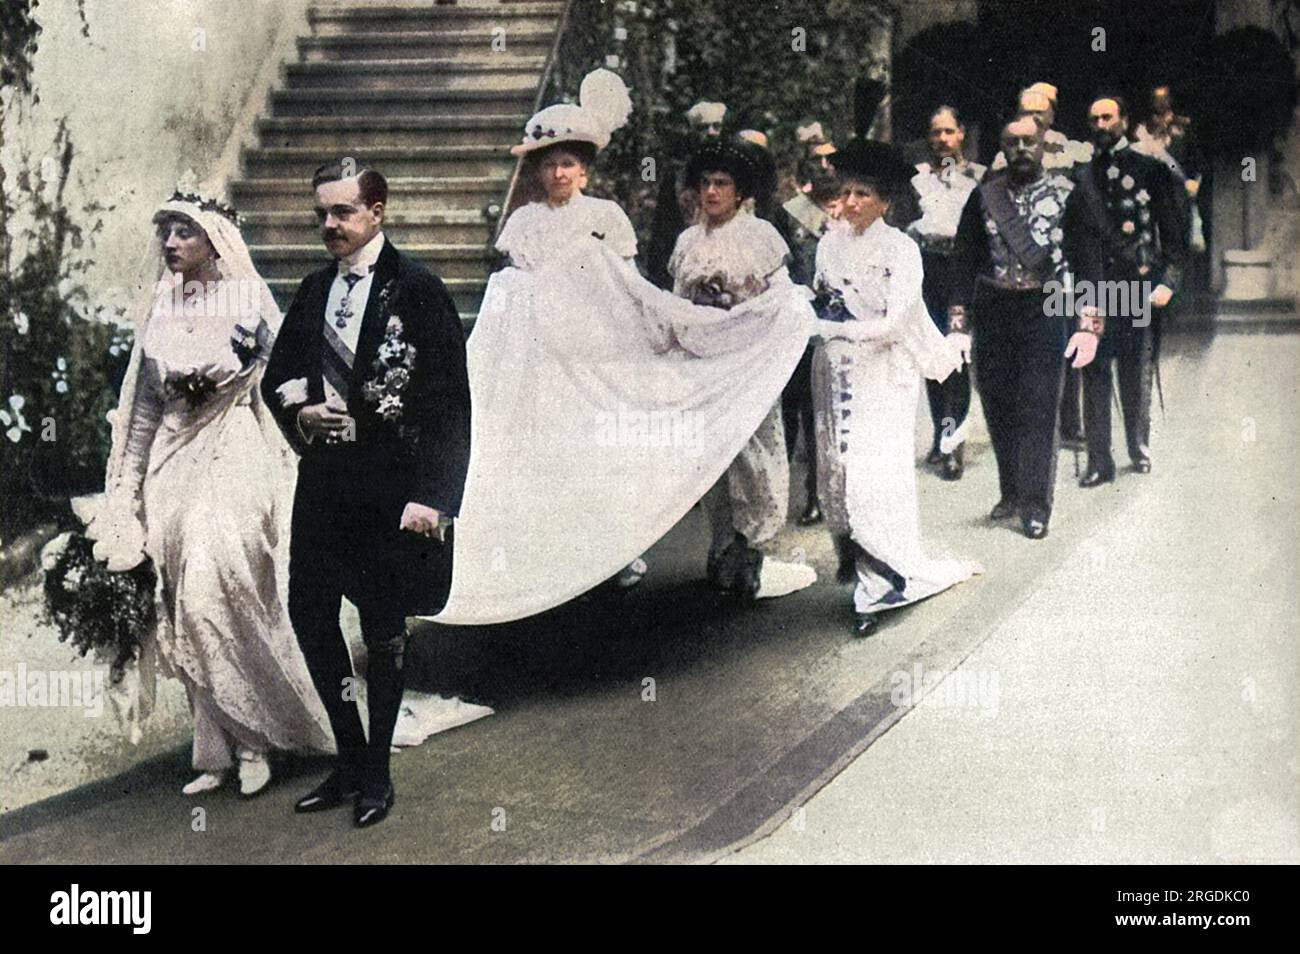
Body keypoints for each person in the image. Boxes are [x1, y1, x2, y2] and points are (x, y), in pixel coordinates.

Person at [425, 72, 815, 626]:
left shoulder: (604, 217)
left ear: (585, 169)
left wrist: (654, 342)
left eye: (569, 163)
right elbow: (514, 293)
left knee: (626, 454)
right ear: (537, 170)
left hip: (600, 354)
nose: (559, 173)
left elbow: (631, 293)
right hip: (547, 361)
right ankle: (559, 564)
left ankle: (701, 553)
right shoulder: (525, 223)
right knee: (553, 457)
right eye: (549, 163)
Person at [83, 179, 333, 798]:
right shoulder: (161, 309)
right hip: (173, 464)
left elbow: (289, 378)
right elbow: (141, 411)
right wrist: (127, 492)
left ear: (214, 238)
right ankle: (216, 750)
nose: (170, 242)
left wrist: (305, 419)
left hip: (235, 450)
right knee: (181, 599)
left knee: (213, 580)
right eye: (165, 231)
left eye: (184, 230)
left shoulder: (247, 300)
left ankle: (257, 739)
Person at [261, 163, 471, 828]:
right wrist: (300, 416)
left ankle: (377, 770)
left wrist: (433, 498)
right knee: (310, 614)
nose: (329, 226)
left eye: (343, 213)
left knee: (382, 633)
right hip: (324, 485)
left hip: (391, 489)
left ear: (377, 211)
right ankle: (348, 755)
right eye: (321, 213)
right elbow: (278, 376)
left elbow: (450, 407)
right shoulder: (314, 287)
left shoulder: (418, 289)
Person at [810, 139, 980, 637]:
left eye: (865, 193)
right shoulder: (828, 244)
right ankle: (856, 555)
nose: (854, 202)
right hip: (837, 368)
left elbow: (893, 322)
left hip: (884, 370)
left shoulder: (901, 250)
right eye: (848, 192)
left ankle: (883, 578)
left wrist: (833, 329)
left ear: (886, 201)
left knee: (874, 469)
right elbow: (824, 299)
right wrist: (820, 320)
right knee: (838, 465)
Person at [669, 135, 817, 601]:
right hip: (706, 364)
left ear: (739, 191)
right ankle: (722, 543)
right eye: (706, 184)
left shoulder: (760, 236)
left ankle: (752, 548)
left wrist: (744, 316)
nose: (712, 193)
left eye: (722, 184)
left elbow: (781, 298)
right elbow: (677, 303)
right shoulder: (689, 240)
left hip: (749, 362)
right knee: (715, 458)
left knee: (755, 455)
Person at [949, 114, 1106, 539]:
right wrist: (958, 324)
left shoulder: (1069, 195)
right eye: (1012, 142)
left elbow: (1089, 263)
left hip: (1046, 305)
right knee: (998, 405)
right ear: (1002, 147)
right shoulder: (984, 199)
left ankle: (1036, 505)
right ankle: (1011, 491)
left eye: (1028, 142)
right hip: (995, 306)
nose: (1020, 149)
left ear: (1042, 147)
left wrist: (1088, 326)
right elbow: (963, 260)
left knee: (1039, 406)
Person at [1074, 94, 1187, 486]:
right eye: (1094, 119)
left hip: (1136, 286)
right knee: (1094, 369)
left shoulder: (1150, 168)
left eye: (1108, 117)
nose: (1101, 125)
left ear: (1123, 120)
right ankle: (1099, 461)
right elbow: (1075, 237)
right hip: (1094, 286)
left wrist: (1168, 283)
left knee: (1135, 367)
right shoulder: (1082, 175)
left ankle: (1138, 447)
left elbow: (1174, 233)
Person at [908, 105, 986, 480]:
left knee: (956, 356)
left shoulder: (978, 180)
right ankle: (941, 434)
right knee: (931, 355)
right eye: (936, 132)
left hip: (962, 267)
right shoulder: (918, 180)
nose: (942, 139)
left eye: (949, 132)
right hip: (927, 268)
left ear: (961, 135)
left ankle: (954, 444)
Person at [779, 149, 841, 525]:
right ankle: (774, 493)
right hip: (795, 321)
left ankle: (819, 494)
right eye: (815, 162)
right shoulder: (789, 213)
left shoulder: (851, 207)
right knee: (791, 407)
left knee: (822, 411)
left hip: (836, 321)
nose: (823, 168)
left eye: (829, 160)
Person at [644, 100, 728, 289]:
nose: (711, 133)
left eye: (716, 126)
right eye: (704, 128)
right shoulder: (678, 173)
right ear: (693, 132)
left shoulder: (734, 168)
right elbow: (663, 226)